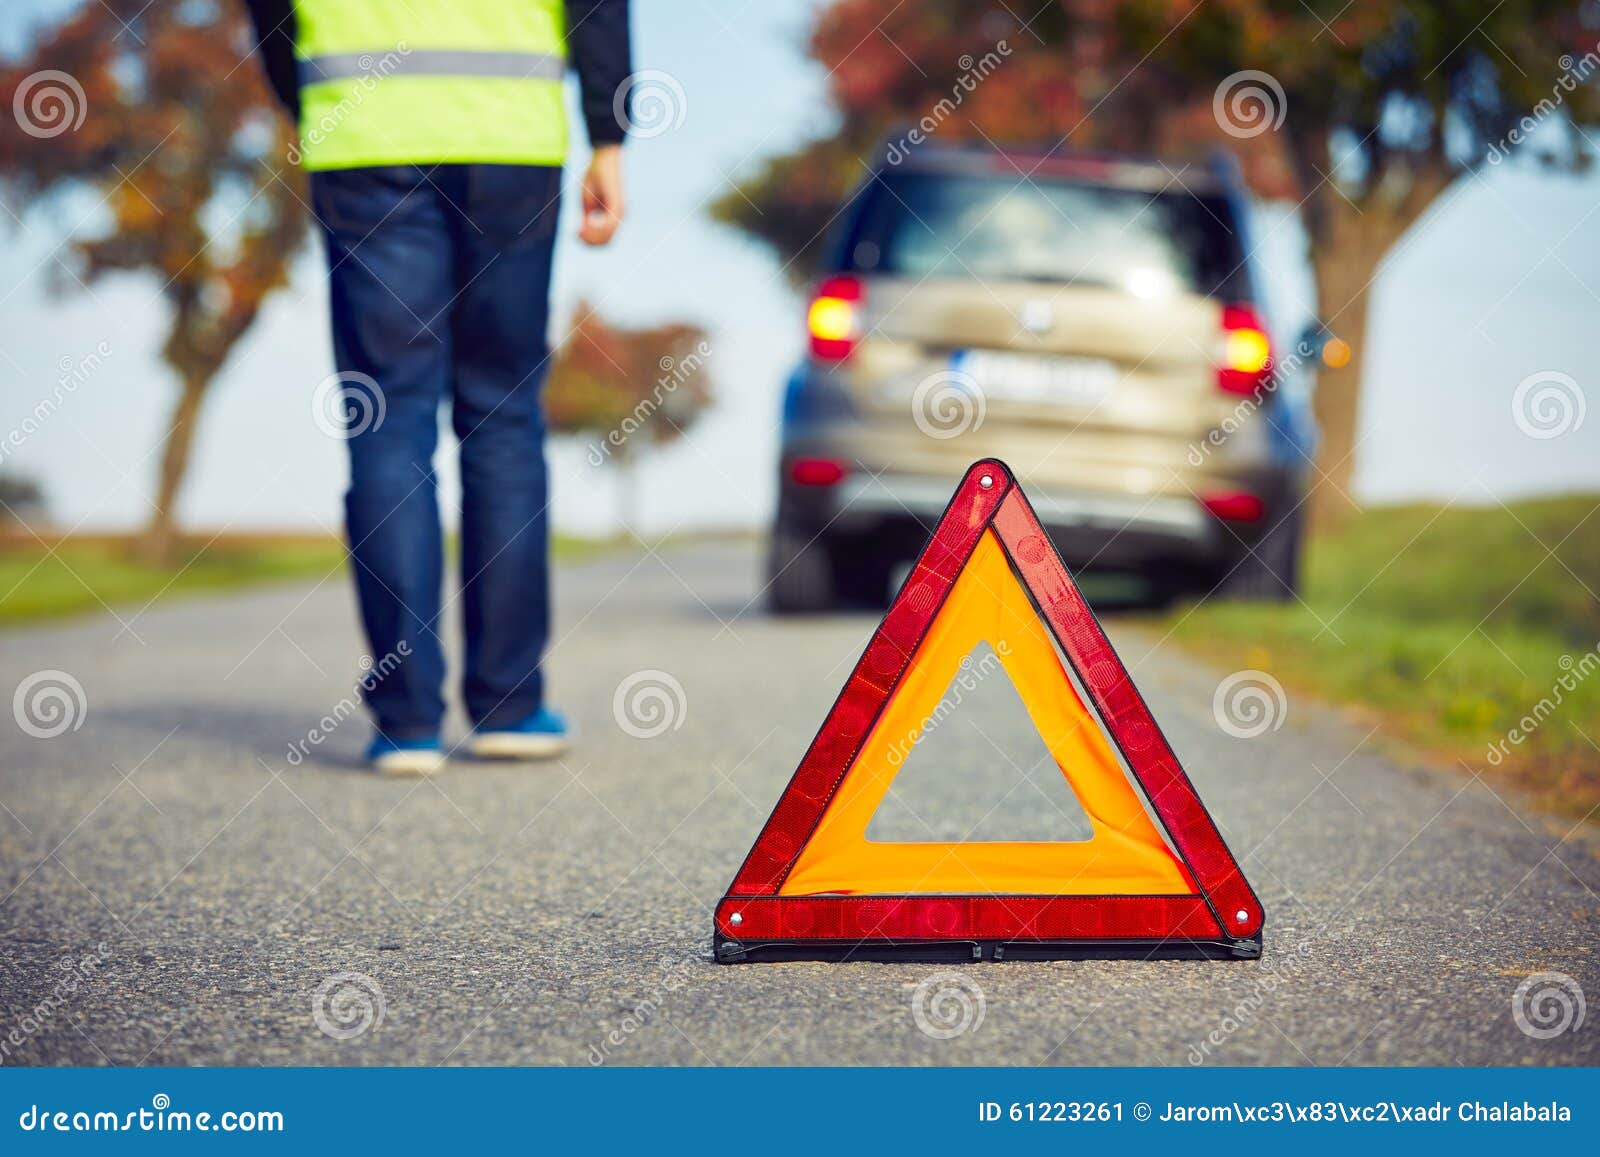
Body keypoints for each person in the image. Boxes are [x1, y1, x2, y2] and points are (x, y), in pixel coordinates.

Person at [245, 1, 631, 775]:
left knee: (388, 418)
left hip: (363, 136)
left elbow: (270, 13)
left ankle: (408, 720)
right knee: (504, 417)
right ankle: (510, 706)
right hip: (510, 135)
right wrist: (609, 136)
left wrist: (307, 101)